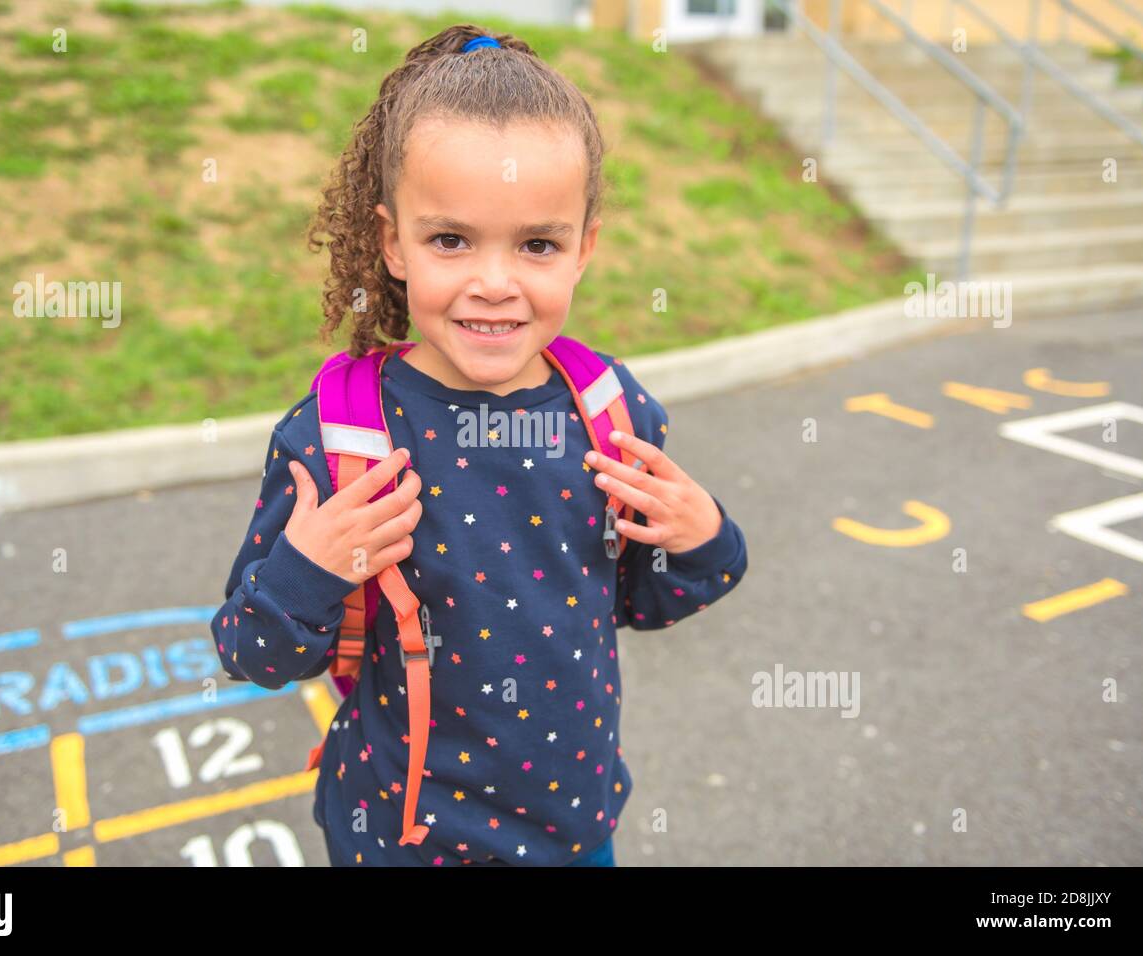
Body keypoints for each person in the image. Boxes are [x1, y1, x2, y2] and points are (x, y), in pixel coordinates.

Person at [211, 24, 748, 867]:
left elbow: (645, 603)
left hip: (574, 834)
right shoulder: (334, 435)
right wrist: (308, 571)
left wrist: (706, 538)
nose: (494, 283)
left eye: (537, 244)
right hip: (394, 838)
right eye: (450, 239)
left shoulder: (611, 409)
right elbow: (252, 649)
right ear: (392, 243)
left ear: (585, 249)